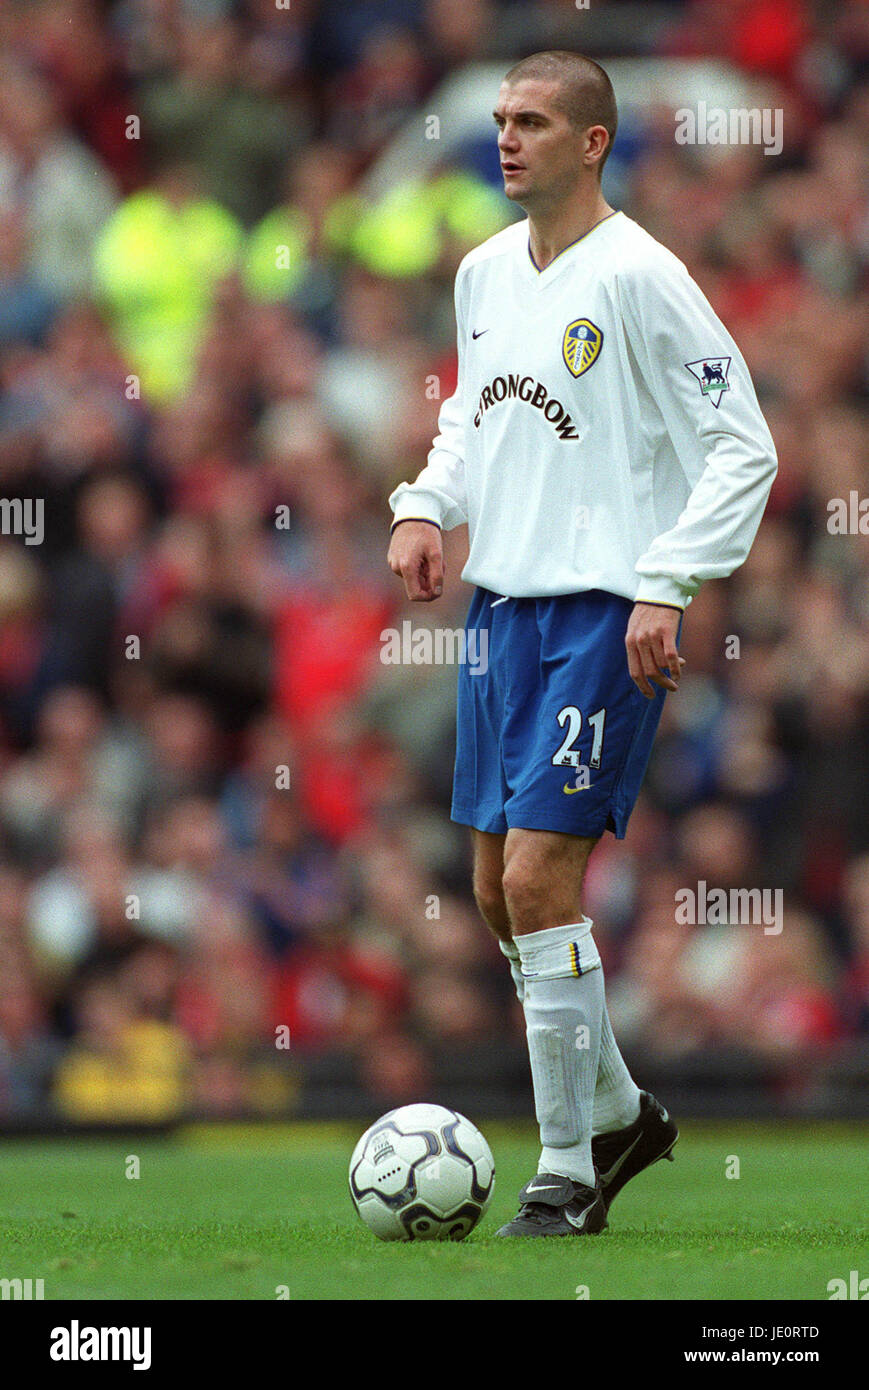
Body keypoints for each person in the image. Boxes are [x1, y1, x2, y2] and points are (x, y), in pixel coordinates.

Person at [387, 51, 777, 1237]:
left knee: (535, 880)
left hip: (605, 612)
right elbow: (471, 414)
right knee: (491, 893)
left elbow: (741, 444)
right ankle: (621, 1113)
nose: (504, 139)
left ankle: (564, 1171)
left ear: (593, 141)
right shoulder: (483, 272)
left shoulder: (644, 278)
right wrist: (423, 502)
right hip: (501, 610)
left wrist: (667, 580)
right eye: (500, 120)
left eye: (533, 122)